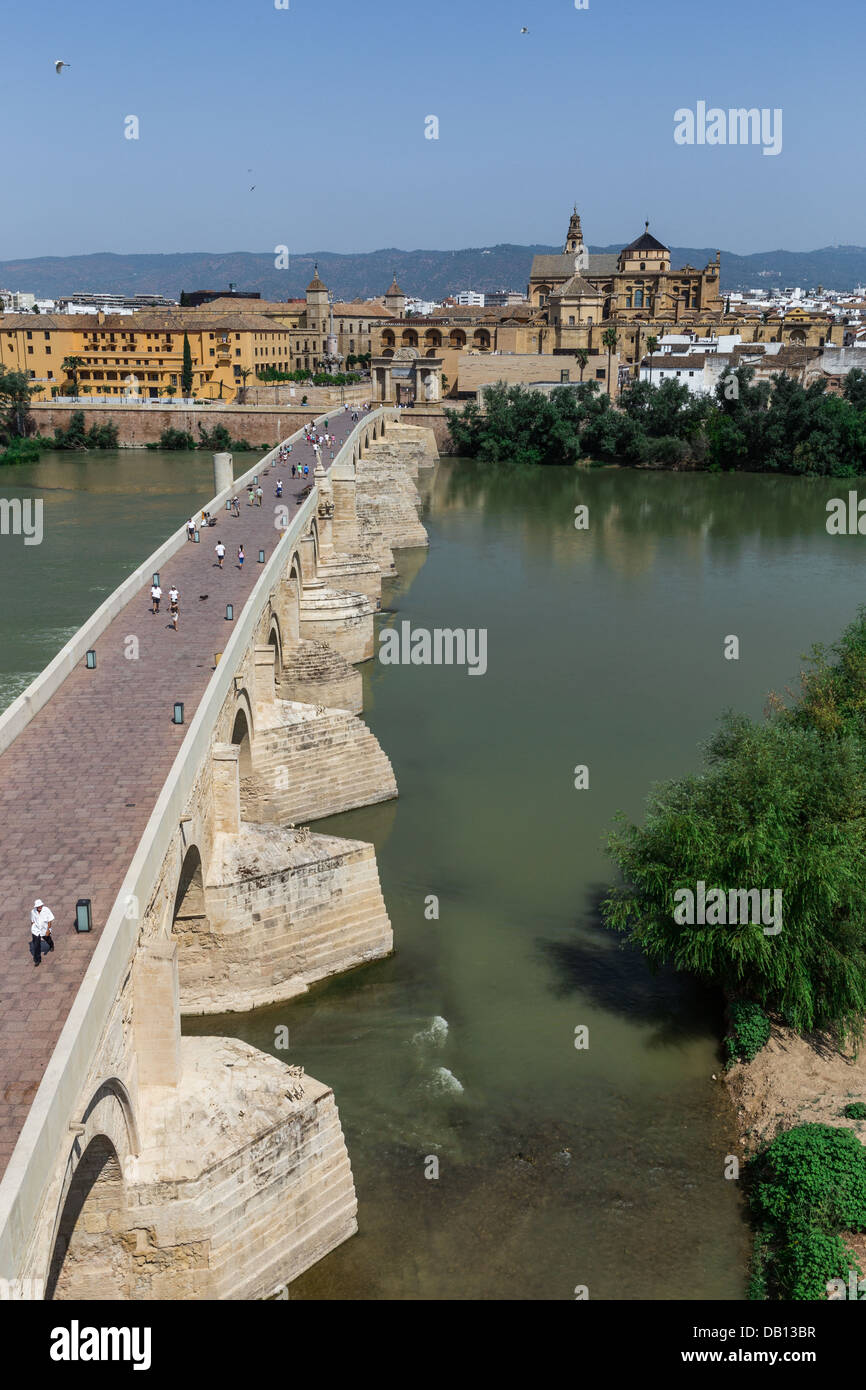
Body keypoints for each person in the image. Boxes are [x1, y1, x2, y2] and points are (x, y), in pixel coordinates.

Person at [31, 898, 55, 968]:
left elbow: (50, 920)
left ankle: (51, 945)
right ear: (36, 907)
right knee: (36, 945)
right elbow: (32, 921)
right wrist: (32, 929)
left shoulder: (46, 910)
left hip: (44, 929)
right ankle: (37, 960)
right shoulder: (33, 912)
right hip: (36, 930)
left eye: (41, 905)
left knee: (47, 939)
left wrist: (48, 930)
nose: (40, 907)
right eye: (38, 906)